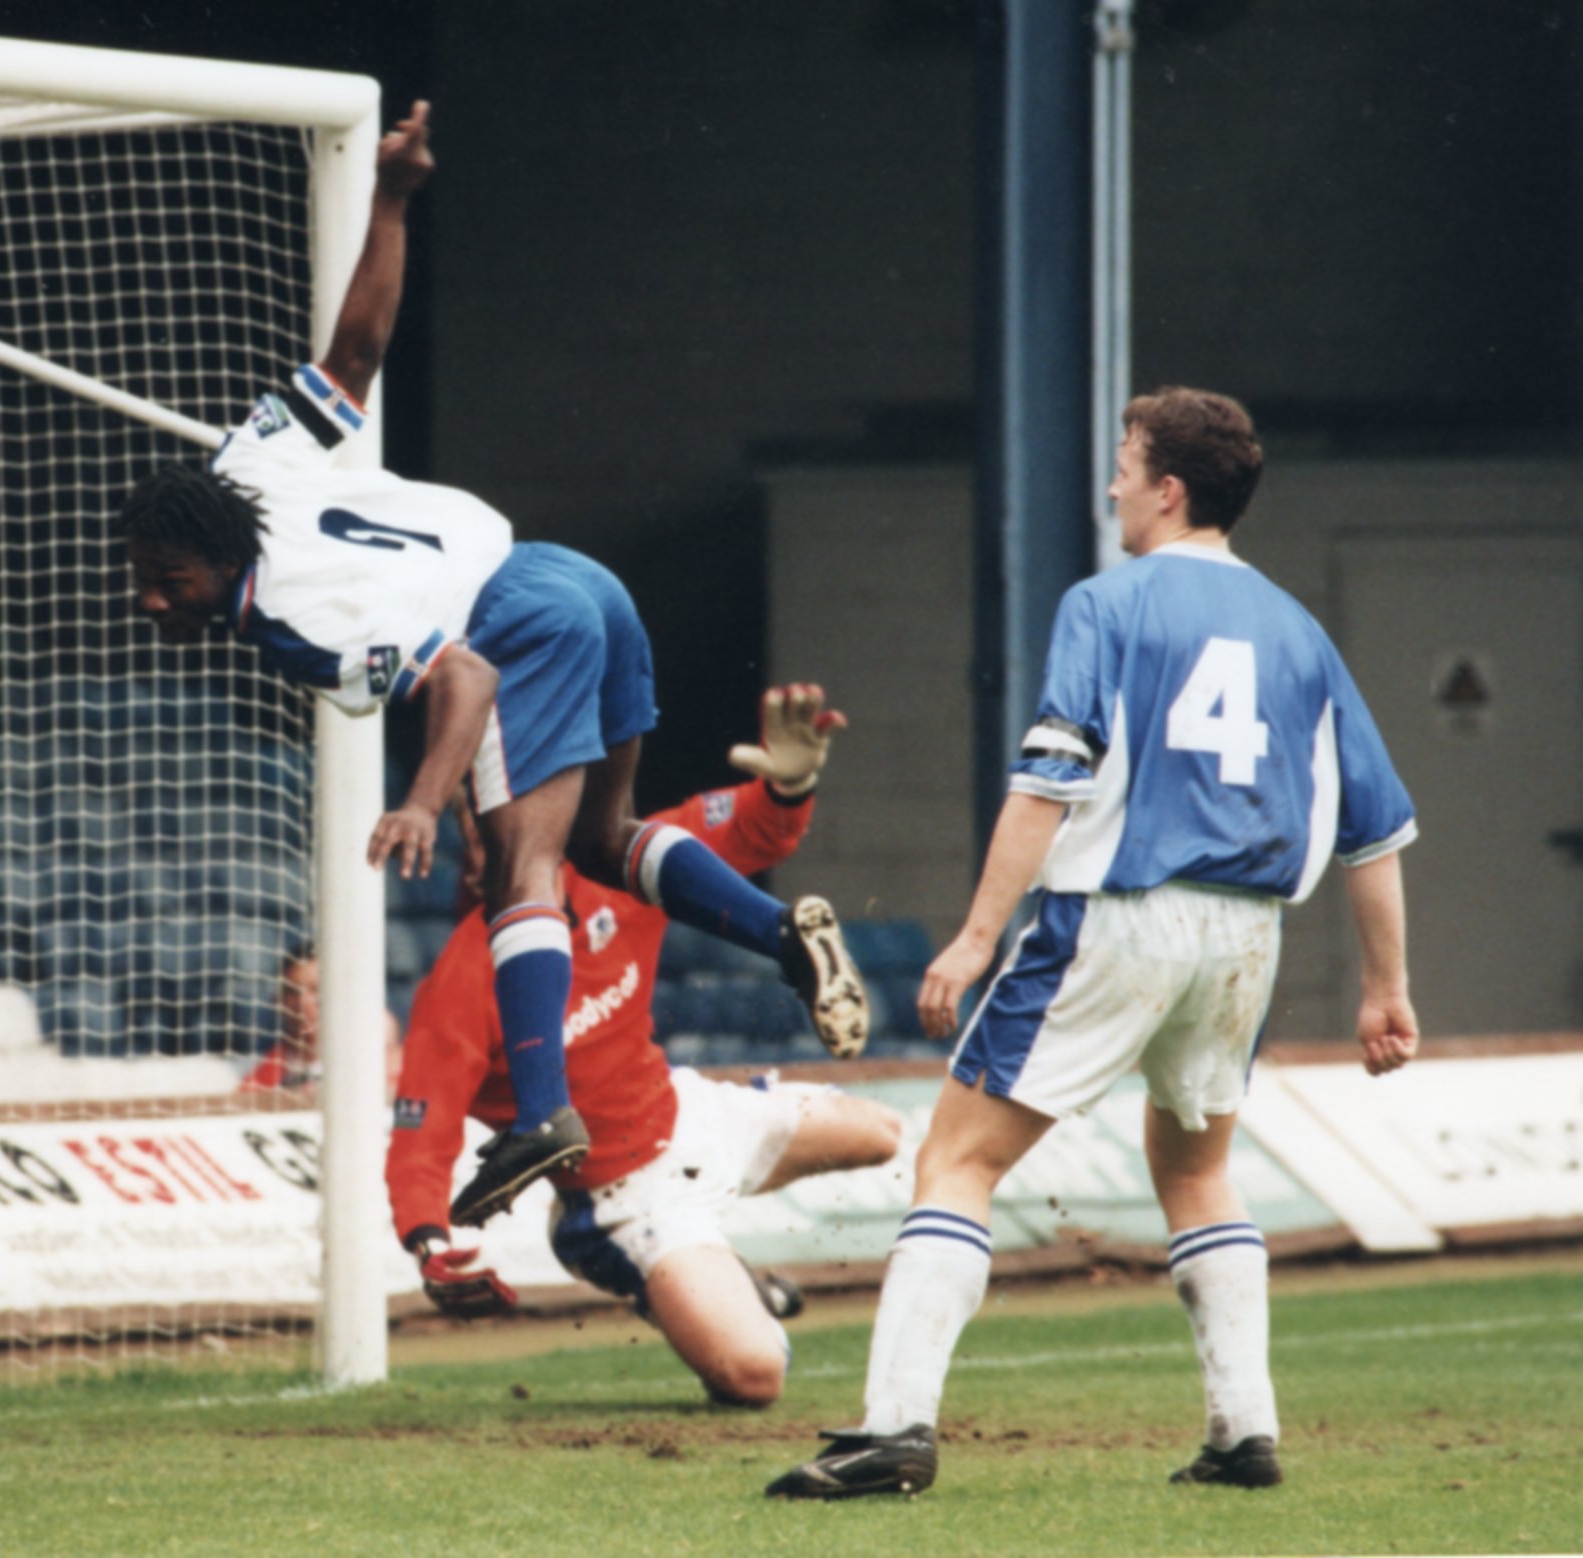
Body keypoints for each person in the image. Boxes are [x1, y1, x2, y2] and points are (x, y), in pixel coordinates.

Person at [121, 102, 868, 1228]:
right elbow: (360, 351)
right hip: (577, 576)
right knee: (602, 845)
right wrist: (392, 199)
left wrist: (424, 802)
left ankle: (545, 1115)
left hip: (517, 619)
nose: (147, 596)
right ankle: (781, 938)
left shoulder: (291, 621)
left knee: (527, 873)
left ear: (215, 558)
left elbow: (465, 679)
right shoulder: (247, 459)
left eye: (163, 576)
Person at [767, 388, 1419, 1501]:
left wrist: (977, 936)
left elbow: (1046, 786)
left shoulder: (1107, 606)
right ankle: (1243, 1430)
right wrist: (1386, 990)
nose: (1111, 482)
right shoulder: (1301, 633)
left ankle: (894, 1430)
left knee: (959, 1158)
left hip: (1121, 913)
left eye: (1124, 463)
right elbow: (1376, 834)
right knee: (1199, 1168)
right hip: (1245, 936)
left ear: (1169, 488)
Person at [387, 685, 903, 1406]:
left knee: (882, 1134)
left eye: (499, 821)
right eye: (473, 827)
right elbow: (421, 1139)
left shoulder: (621, 870)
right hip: (621, 1202)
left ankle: (715, 1267)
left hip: (690, 1114)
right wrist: (428, 1242)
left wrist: (791, 785)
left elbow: (748, 834)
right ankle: (695, 1281)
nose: (485, 842)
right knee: (755, 1376)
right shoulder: (459, 983)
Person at [235, 944, 402, 1099]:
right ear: (278, 1000)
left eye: (316, 990)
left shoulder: (383, 1062)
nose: (302, 1002)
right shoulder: (264, 1075)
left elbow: (413, 1121)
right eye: (292, 992)